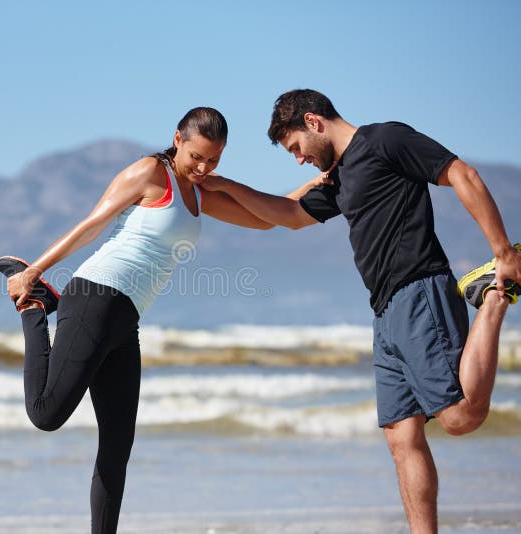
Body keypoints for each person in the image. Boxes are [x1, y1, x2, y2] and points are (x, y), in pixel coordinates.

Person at [201, 89, 521, 534]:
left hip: (419, 289)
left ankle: (492, 297)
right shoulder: (339, 177)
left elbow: (461, 174)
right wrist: (214, 188)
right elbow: (284, 216)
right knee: (400, 436)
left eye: (295, 148)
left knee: (460, 416)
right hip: (384, 312)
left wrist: (502, 250)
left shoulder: (385, 140)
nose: (298, 160)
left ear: (313, 122)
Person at [0, 107, 328, 534]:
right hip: (94, 297)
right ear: (177, 139)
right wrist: (33, 272)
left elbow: (264, 220)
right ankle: (36, 308)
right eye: (196, 157)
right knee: (46, 415)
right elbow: (92, 224)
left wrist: (307, 186)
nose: (204, 167)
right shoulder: (149, 173)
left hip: (126, 318)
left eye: (214, 160)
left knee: (117, 447)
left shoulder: (199, 192)